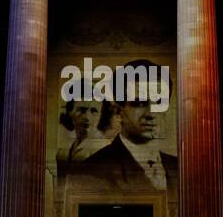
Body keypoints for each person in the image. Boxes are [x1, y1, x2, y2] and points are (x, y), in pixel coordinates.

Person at [75, 61, 177, 191]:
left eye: (160, 102)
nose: (151, 113)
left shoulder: (180, 168)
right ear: (118, 112)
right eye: (140, 103)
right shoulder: (90, 172)